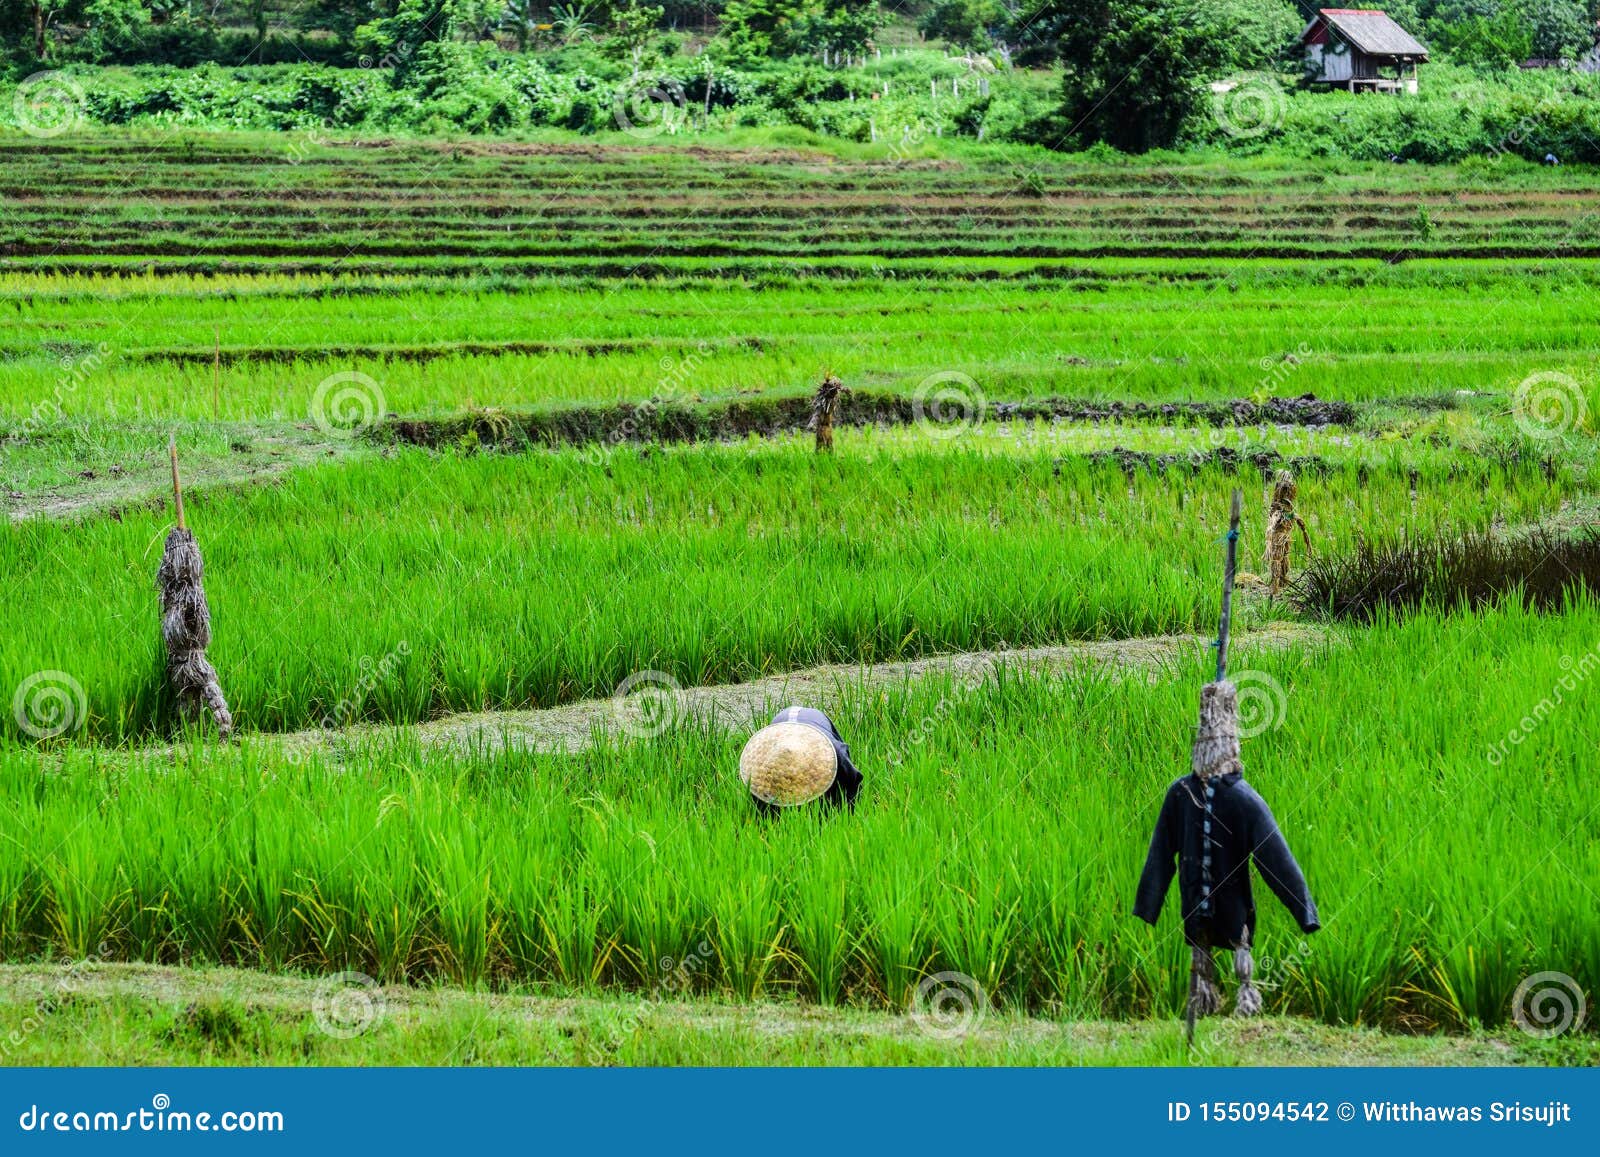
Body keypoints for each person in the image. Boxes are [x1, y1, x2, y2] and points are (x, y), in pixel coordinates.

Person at [1133, 680, 1319, 1018]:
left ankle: (1245, 998)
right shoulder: (1181, 795)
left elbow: (1276, 859)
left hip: (1232, 904)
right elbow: (1160, 853)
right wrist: (1149, 904)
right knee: (1199, 949)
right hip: (1193, 900)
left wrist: (1304, 911)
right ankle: (1202, 998)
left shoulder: (1242, 799)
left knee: (1238, 943)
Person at [740, 706, 863, 816]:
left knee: (834, 791)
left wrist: (846, 814)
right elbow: (757, 793)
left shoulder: (834, 751)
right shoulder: (762, 761)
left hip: (815, 719)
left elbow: (853, 782)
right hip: (781, 723)